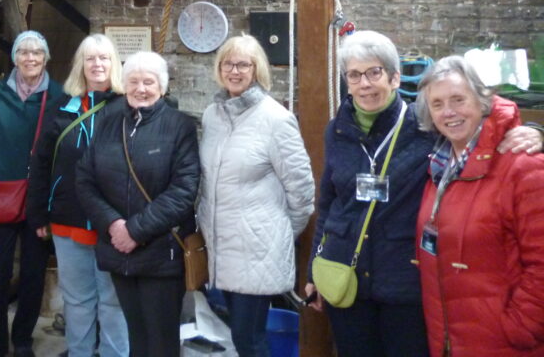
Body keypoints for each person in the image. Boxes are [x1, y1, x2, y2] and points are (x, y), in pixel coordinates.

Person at [305, 30, 542, 357]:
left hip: (404, 284)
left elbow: (478, 119)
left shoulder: (423, 125)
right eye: (355, 75)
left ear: (394, 77)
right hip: (347, 277)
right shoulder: (338, 130)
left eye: (374, 72)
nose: (365, 83)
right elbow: (329, 204)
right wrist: (313, 268)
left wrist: (531, 130)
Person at [415, 55, 544, 356]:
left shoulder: (524, 166)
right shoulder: (440, 164)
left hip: (503, 343)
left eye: (458, 99)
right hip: (449, 339)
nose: (449, 112)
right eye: (437, 104)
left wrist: (520, 327)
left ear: (483, 100)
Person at [77, 51, 200, 357]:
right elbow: (84, 179)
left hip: (161, 253)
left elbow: (184, 191)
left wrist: (135, 230)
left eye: (149, 82)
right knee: (136, 338)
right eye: (134, 81)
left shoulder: (179, 126)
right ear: (124, 84)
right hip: (119, 251)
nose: (141, 89)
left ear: (162, 86)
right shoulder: (107, 121)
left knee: (161, 342)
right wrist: (113, 225)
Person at [197, 35, 314, 357]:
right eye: (228, 63)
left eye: (243, 64)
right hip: (223, 246)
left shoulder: (276, 119)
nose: (235, 71)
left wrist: (277, 233)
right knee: (240, 336)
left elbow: (302, 190)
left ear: (257, 69)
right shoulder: (212, 116)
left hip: (257, 249)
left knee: (250, 340)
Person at [28, 34, 129, 357]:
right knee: (77, 300)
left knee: (113, 300)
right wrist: (38, 213)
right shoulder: (64, 105)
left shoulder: (127, 106)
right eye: (90, 59)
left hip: (113, 225)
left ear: (114, 64)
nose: (97, 65)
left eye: (104, 58)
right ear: (80, 65)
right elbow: (42, 160)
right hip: (68, 220)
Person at [0, 30, 66, 357]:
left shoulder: (57, 95)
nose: (30, 58)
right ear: (14, 58)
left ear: (46, 57)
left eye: (37, 52)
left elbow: (62, 150)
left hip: (38, 200)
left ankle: (22, 338)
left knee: (33, 273)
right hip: (0, 195)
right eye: (23, 52)